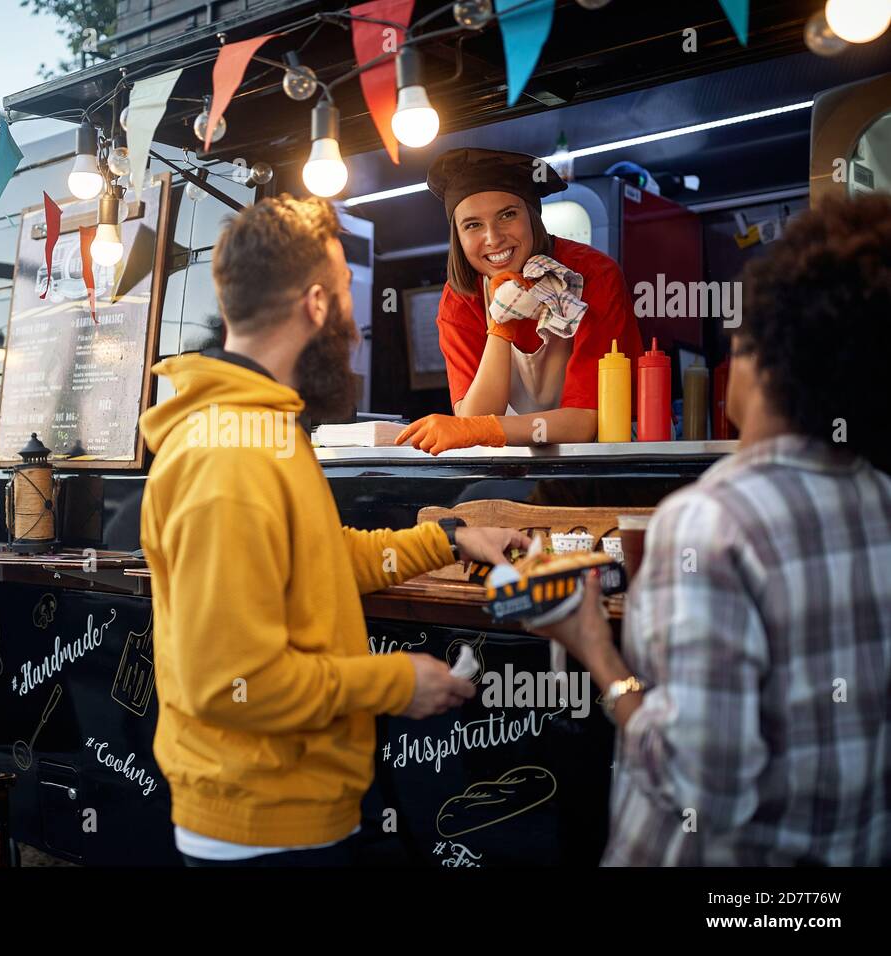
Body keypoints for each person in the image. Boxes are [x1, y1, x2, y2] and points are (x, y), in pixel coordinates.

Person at [138, 195, 530, 866]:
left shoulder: (266, 427)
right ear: (316, 306)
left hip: (301, 813)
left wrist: (450, 537)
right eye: (347, 299)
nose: (352, 324)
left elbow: (320, 558)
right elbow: (232, 682)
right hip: (262, 829)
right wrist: (395, 684)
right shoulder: (228, 457)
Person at [534, 195, 891, 865]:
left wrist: (595, 649)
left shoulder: (710, 522)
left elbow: (700, 784)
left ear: (758, 347)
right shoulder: (880, 498)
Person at [397, 148, 643, 453]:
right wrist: (502, 324)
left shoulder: (592, 274)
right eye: (473, 225)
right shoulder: (461, 298)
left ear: (532, 217)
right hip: (523, 459)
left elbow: (584, 423)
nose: (493, 237)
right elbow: (472, 420)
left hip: (609, 457)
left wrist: (479, 429)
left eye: (507, 215)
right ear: (457, 238)